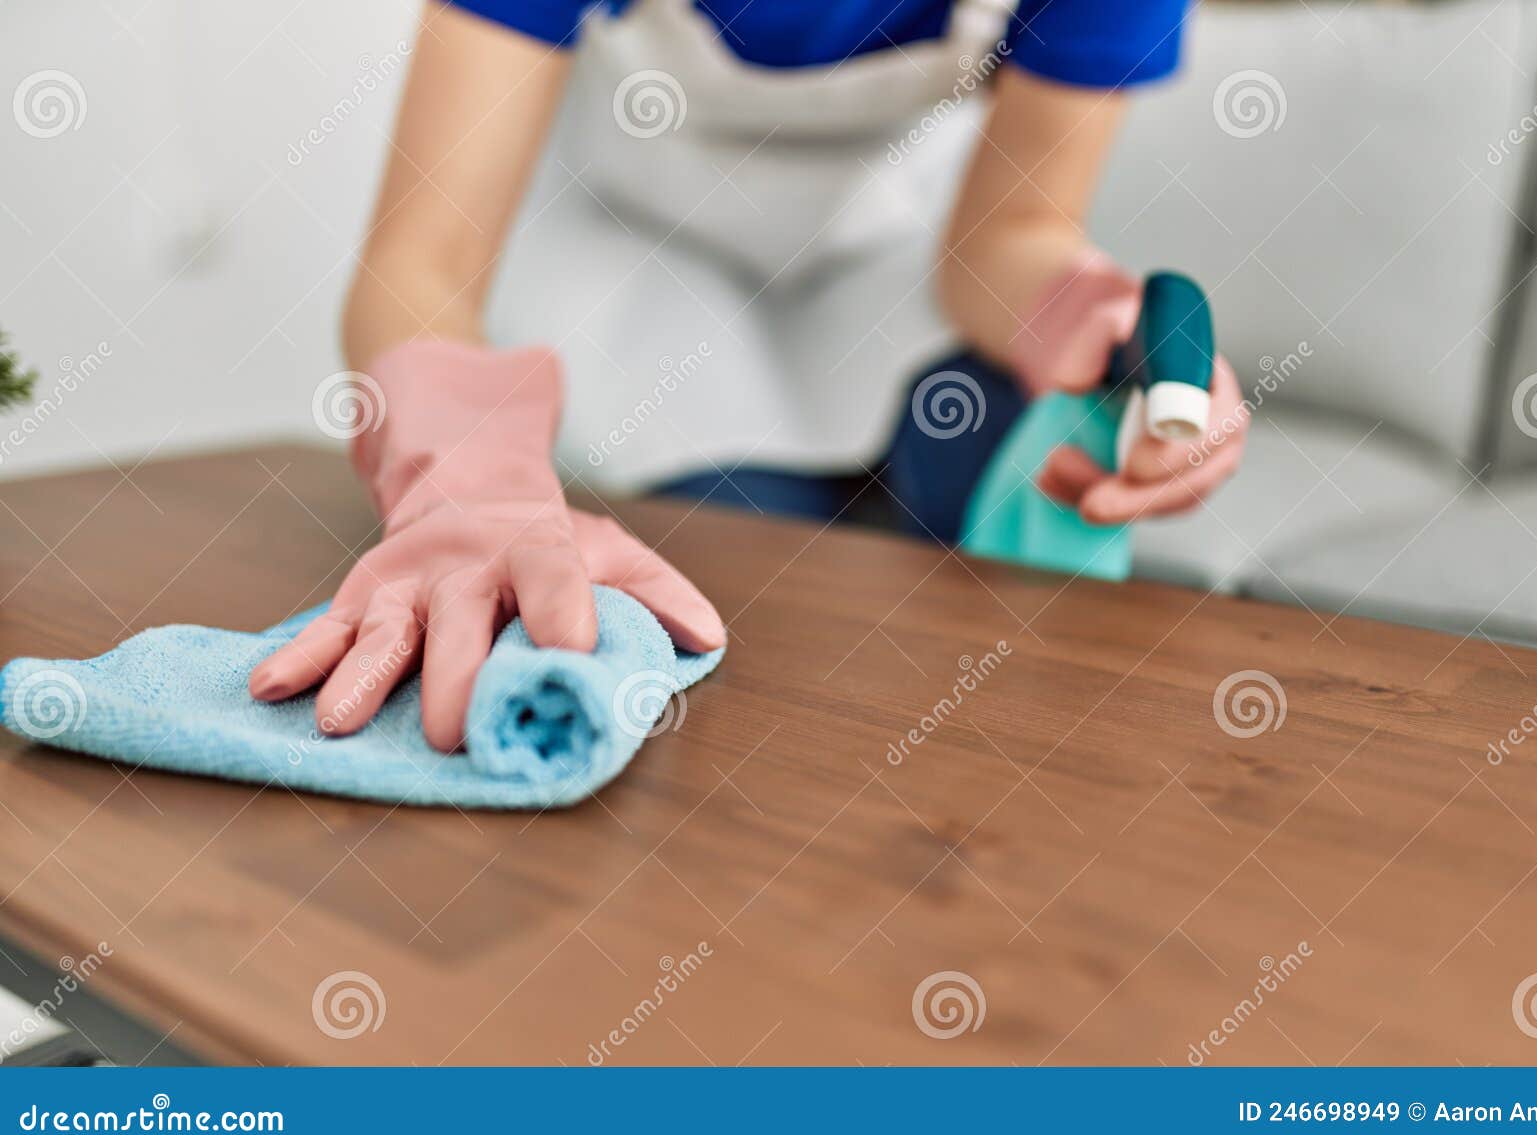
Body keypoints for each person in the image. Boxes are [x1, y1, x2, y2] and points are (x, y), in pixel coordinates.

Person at [249, 0, 1248, 752]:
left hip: (884, 260)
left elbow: (1012, 234)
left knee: (970, 476)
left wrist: (1082, 309)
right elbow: (420, 264)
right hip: (639, 250)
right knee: (724, 591)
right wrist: (458, 473)